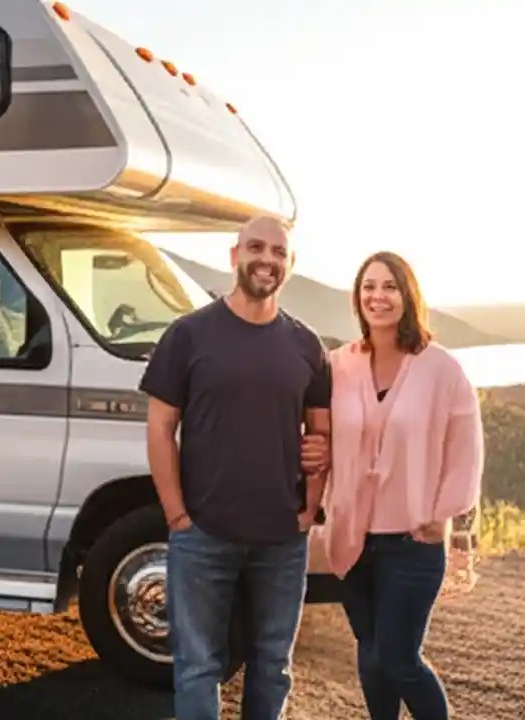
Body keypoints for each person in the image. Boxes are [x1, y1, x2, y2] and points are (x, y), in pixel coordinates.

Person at [139, 215, 332, 720]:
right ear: (235, 256)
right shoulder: (188, 335)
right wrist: (178, 515)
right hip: (204, 534)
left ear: (289, 264)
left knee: (273, 666)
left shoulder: (306, 345)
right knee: (199, 666)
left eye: (277, 252)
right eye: (256, 248)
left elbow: (321, 434)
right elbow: (160, 427)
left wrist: (309, 509)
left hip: (282, 538)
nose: (266, 260)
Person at [301, 250, 484, 720]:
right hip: (354, 537)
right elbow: (322, 431)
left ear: (408, 296)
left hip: (412, 541)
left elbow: (465, 449)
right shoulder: (339, 365)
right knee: (370, 652)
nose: (377, 297)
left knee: (400, 659)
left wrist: (440, 515)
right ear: (357, 298)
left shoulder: (440, 369)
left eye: (388, 287)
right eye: (368, 287)